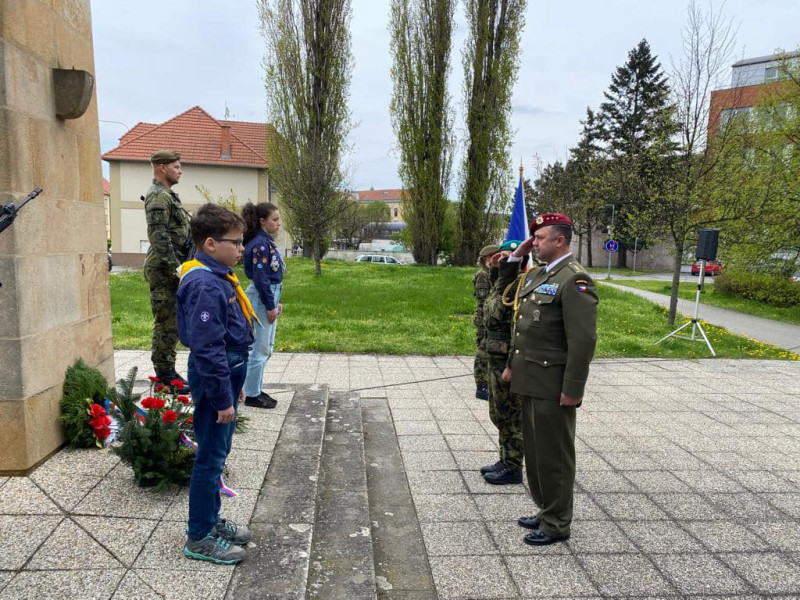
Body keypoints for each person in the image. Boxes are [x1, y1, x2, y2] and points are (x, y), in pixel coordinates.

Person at [498, 213, 598, 546]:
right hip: (530, 378)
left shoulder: (574, 279)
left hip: (553, 384)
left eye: (540, 238)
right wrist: (517, 255)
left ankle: (557, 522)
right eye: (534, 238)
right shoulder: (540, 273)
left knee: (554, 455)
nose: (535, 243)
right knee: (536, 452)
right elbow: (518, 318)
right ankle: (546, 509)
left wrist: (573, 388)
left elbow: (582, 340)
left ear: (560, 241)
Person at [177, 203, 258, 564]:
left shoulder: (218, 276)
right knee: (210, 459)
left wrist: (235, 384)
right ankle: (199, 537)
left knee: (217, 454)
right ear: (210, 243)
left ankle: (210, 522)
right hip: (216, 371)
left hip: (227, 370)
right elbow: (208, 348)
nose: (242, 248)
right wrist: (222, 397)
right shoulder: (205, 284)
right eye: (236, 242)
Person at [143, 150, 193, 388]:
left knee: (173, 322)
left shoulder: (168, 196)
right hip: (165, 270)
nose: (180, 171)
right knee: (166, 323)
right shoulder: (158, 197)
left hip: (173, 269)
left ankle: (168, 370)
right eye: (176, 166)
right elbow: (158, 237)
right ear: (162, 168)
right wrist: (177, 269)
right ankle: (164, 375)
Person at [480, 240, 525, 485]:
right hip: (493, 358)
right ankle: (505, 458)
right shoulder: (502, 285)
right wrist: (497, 270)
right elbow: (491, 305)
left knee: (510, 415)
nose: (500, 259)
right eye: (500, 255)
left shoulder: (519, 288)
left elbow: (518, 329)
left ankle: (513, 466)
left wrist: (512, 364)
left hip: (505, 360)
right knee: (497, 413)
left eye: (507, 256)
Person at [241, 202, 285, 409]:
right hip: (261, 297)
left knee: (266, 347)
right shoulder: (259, 244)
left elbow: (272, 276)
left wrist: (276, 302)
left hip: (269, 294)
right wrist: (269, 305)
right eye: (274, 219)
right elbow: (261, 277)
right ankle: (251, 394)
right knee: (260, 348)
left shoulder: (266, 242)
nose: (278, 223)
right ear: (262, 221)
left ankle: (254, 388)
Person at [472, 244, 499, 400]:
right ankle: (481, 385)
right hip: (484, 319)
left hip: (491, 318)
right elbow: (483, 299)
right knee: (482, 352)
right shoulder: (483, 275)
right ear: (488, 258)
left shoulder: (492, 273)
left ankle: (487, 381)